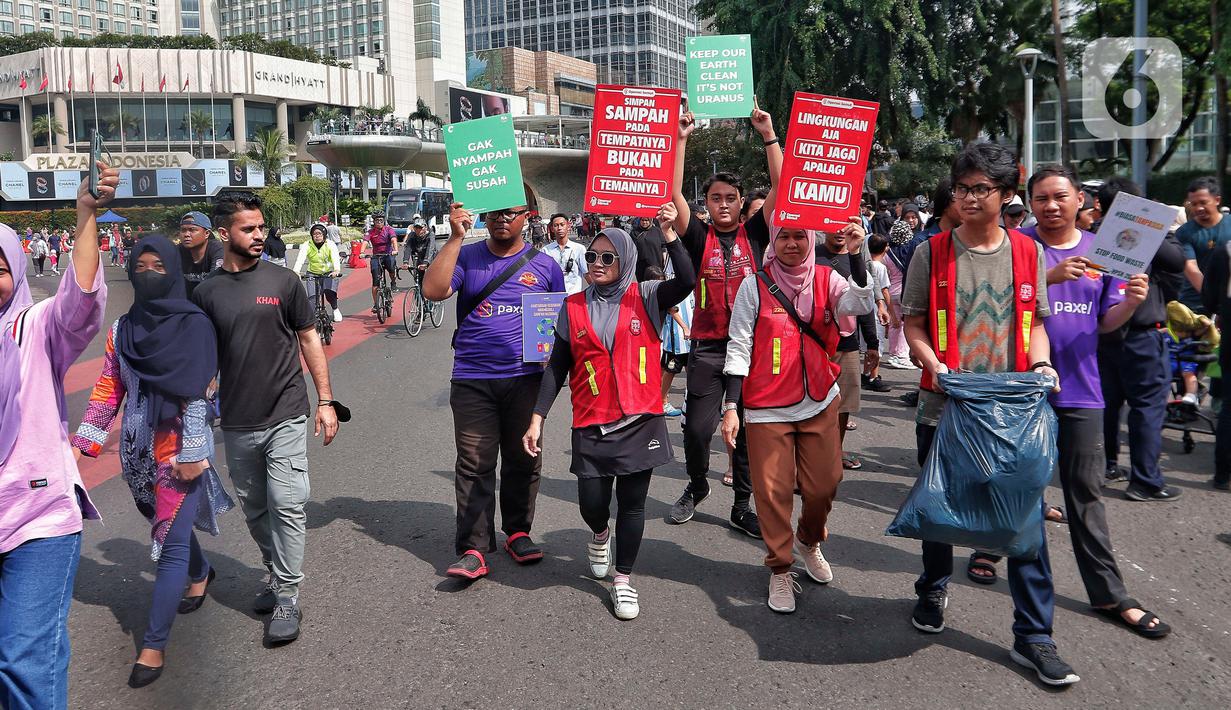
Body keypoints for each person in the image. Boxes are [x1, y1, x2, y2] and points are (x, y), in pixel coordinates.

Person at [901, 142, 1080, 687]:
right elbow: (910, 324)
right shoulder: (931, 252)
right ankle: (933, 586)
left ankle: (1034, 637)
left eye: (982, 189)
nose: (970, 198)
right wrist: (932, 361)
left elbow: (1039, 324)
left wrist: (1043, 363)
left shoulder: (1029, 253)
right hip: (945, 409)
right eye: (963, 188)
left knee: (1025, 525)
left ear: (1007, 194)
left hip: (1012, 417)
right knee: (938, 510)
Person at [72, 236, 236, 688]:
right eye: (139, 265)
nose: (147, 273)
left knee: (168, 545)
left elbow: (203, 392)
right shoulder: (122, 330)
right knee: (166, 528)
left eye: (157, 266)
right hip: (135, 453)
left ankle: (153, 645)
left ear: (174, 271)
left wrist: (192, 453)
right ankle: (202, 573)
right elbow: (108, 389)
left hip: (179, 451)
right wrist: (81, 446)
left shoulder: (195, 325)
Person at [1019, 164, 1172, 640]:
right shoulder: (1019, 246)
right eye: (1041, 198)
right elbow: (1002, 301)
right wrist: (1051, 276)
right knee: (1018, 489)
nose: (1051, 205)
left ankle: (1109, 593)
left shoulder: (1102, 252)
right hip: (1022, 389)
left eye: (1060, 196)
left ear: (1079, 202)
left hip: (1082, 390)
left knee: (1085, 494)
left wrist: (1130, 303)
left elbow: (1106, 323)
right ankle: (990, 553)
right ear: (1030, 203)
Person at [523, 206, 694, 620]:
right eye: (591, 258)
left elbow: (688, 280)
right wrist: (537, 417)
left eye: (606, 258)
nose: (595, 264)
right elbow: (556, 367)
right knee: (592, 502)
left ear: (626, 260)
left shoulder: (648, 296)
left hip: (641, 418)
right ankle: (599, 535)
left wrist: (669, 233)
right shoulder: (573, 305)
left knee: (633, 506)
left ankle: (623, 579)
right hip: (591, 419)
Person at [191, 192, 344, 646]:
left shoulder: (283, 282)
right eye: (249, 229)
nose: (259, 235)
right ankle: (275, 575)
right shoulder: (206, 292)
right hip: (237, 421)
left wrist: (326, 400)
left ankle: (287, 597)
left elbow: (310, 339)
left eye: (261, 228)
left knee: (288, 504)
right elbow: (203, 357)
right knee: (256, 511)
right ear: (225, 233)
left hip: (286, 413)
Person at [0, 162, 115, 710]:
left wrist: (86, 214)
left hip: (35, 517)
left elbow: (80, 305)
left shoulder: (36, 324)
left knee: (23, 659)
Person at [721, 224, 874, 613]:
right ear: (774, 241)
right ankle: (780, 567)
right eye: (784, 236)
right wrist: (731, 407)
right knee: (772, 494)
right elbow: (738, 345)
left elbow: (861, 304)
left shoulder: (828, 277)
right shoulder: (754, 285)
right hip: (766, 407)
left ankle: (808, 541)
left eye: (799, 237)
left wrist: (856, 255)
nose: (791, 244)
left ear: (811, 240)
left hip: (820, 399)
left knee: (825, 485)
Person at [422, 200, 565, 581]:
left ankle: (518, 531)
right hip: (472, 378)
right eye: (495, 213)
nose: (502, 219)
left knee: (523, 459)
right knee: (474, 463)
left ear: (527, 218)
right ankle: (473, 547)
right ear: (484, 216)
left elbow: (558, 327)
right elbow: (433, 291)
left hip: (526, 379)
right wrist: (454, 237)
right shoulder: (466, 256)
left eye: (511, 213)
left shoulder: (546, 266)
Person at [665, 106, 783, 537]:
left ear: (740, 202)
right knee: (697, 431)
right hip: (709, 348)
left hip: (752, 349)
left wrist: (768, 134)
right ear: (708, 204)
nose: (724, 204)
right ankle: (696, 486)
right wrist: (681, 139)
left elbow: (782, 186)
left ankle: (741, 505)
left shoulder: (757, 233)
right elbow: (674, 193)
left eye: (731, 198)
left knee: (748, 433)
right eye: (715, 198)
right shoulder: (697, 236)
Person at [1095, 177, 1186, 499]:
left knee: (1108, 405)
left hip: (1103, 336)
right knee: (1146, 408)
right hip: (1142, 337)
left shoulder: (1090, 235)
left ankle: (1106, 465)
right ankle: (1145, 480)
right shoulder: (1146, 234)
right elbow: (1178, 261)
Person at [816, 214, 873, 469]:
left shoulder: (857, 257)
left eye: (845, 226)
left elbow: (865, 300)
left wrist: (872, 343)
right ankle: (809, 456)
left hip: (848, 343)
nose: (840, 231)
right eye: (833, 225)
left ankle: (835, 453)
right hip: (815, 342)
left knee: (844, 403)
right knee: (812, 403)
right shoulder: (811, 255)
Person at [1176, 177, 1231, 312]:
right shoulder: (1184, 233)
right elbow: (1191, 269)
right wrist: (1214, 299)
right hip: (1195, 305)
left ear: (1217, 200)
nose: (1198, 208)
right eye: (1193, 204)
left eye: (1203, 202)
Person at [292, 223, 344, 322]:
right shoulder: (307, 244)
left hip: (328, 273)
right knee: (312, 298)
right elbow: (300, 259)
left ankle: (335, 309)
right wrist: (296, 271)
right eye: (314, 234)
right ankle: (312, 321)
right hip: (312, 273)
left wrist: (336, 270)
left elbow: (335, 258)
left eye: (319, 234)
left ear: (324, 235)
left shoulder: (330, 244)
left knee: (329, 292)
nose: (317, 236)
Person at [863, 234, 893, 392]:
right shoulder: (880, 267)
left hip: (865, 309)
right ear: (885, 248)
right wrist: (891, 311)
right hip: (877, 310)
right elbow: (884, 291)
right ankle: (874, 376)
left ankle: (866, 373)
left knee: (868, 345)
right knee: (877, 345)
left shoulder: (865, 263)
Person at [177, 212, 225, 300]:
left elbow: (217, 280)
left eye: (192, 230)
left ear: (207, 233)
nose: (186, 234)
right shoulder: (177, 251)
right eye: (183, 230)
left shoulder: (217, 249)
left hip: (212, 300)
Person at [542, 212, 589, 295]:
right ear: (552, 229)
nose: (559, 228)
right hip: (554, 298)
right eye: (556, 225)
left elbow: (587, 274)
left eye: (562, 224)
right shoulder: (546, 250)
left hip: (574, 297)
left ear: (568, 226)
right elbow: (543, 276)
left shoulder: (579, 249)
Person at [364, 211, 399, 313]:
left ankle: (393, 282)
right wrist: (361, 252)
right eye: (377, 220)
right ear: (373, 222)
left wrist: (395, 250)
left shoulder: (389, 230)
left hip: (388, 254)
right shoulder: (370, 232)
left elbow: (393, 240)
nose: (379, 222)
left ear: (384, 221)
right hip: (376, 256)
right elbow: (365, 242)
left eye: (381, 220)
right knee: (375, 281)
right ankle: (375, 304)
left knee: (392, 267)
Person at [401, 216, 438, 288]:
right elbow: (408, 248)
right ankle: (419, 293)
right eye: (416, 228)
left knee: (431, 276)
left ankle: (431, 292)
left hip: (431, 256)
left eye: (420, 228)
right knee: (418, 277)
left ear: (425, 228)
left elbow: (430, 249)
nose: (418, 230)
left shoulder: (430, 235)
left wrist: (426, 263)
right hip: (419, 256)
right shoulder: (412, 235)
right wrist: (405, 262)